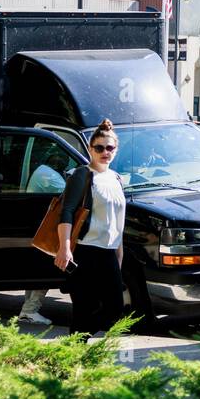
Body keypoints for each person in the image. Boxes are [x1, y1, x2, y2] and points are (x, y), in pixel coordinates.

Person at [56, 119, 127, 336]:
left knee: (115, 309)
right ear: (90, 149)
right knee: (83, 311)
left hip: (109, 253)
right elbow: (66, 211)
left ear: (115, 150)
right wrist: (64, 247)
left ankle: (77, 350)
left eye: (109, 148)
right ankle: (72, 360)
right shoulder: (83, 175)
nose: (105, 152)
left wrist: (119, 254)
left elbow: (117, 220)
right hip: (85, 252)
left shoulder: (116, 178)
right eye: (99, 148)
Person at [19, 146, 70, 325]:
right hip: (45, 231)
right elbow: (69, 194)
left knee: (35, 272)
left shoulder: (41, 169)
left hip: (35, 227)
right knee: (44, 271)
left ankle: (27, 310)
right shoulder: (49, 176)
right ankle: (30, 310)